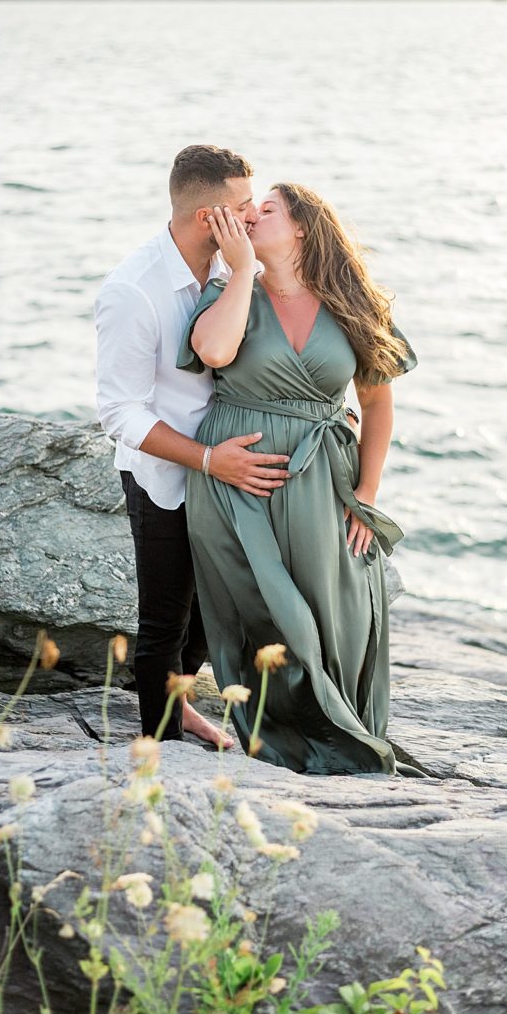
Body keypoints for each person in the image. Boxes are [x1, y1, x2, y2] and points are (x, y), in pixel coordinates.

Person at [181, 184, 415, 774]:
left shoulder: (352, 302)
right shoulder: (231, 291)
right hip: (240, 480)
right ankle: (290, 736)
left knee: (341, 613)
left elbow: (378, 405)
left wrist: (365, 493)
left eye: (266, 211)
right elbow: (211, 350)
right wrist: (239, 271)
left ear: (304, 228)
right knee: (269, 611)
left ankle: (344, 729)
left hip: (323, 479)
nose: (249, 218)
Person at [95, 145, 294, 743]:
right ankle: (159, 746)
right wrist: (209, 459)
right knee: (165, 619)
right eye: (242, 208)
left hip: (227, 473)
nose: (254, 217)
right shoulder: (133, 290)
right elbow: (119, 413)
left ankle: (180, 703)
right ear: (210, 217)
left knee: (217, 609)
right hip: (166, 473)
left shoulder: (233, 271)